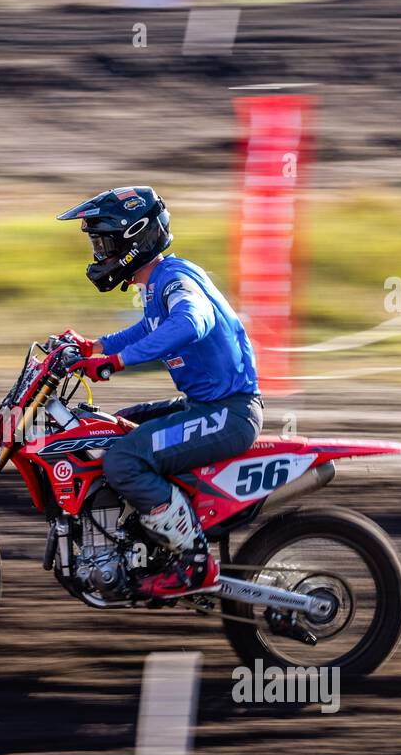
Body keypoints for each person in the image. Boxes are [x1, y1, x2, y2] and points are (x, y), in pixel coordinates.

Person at [56, 186, 264, 598]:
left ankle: (194, 563)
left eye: (105, 243)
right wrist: (94, 347)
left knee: (124, 460)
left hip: (229, 414)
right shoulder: (159, 284)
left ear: (135, 238)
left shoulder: (176, 282)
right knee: (113, 429)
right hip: (210, 407)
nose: (99, 254)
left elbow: (192, 322)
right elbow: (147, 329)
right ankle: (148, 539)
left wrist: (118, 362)